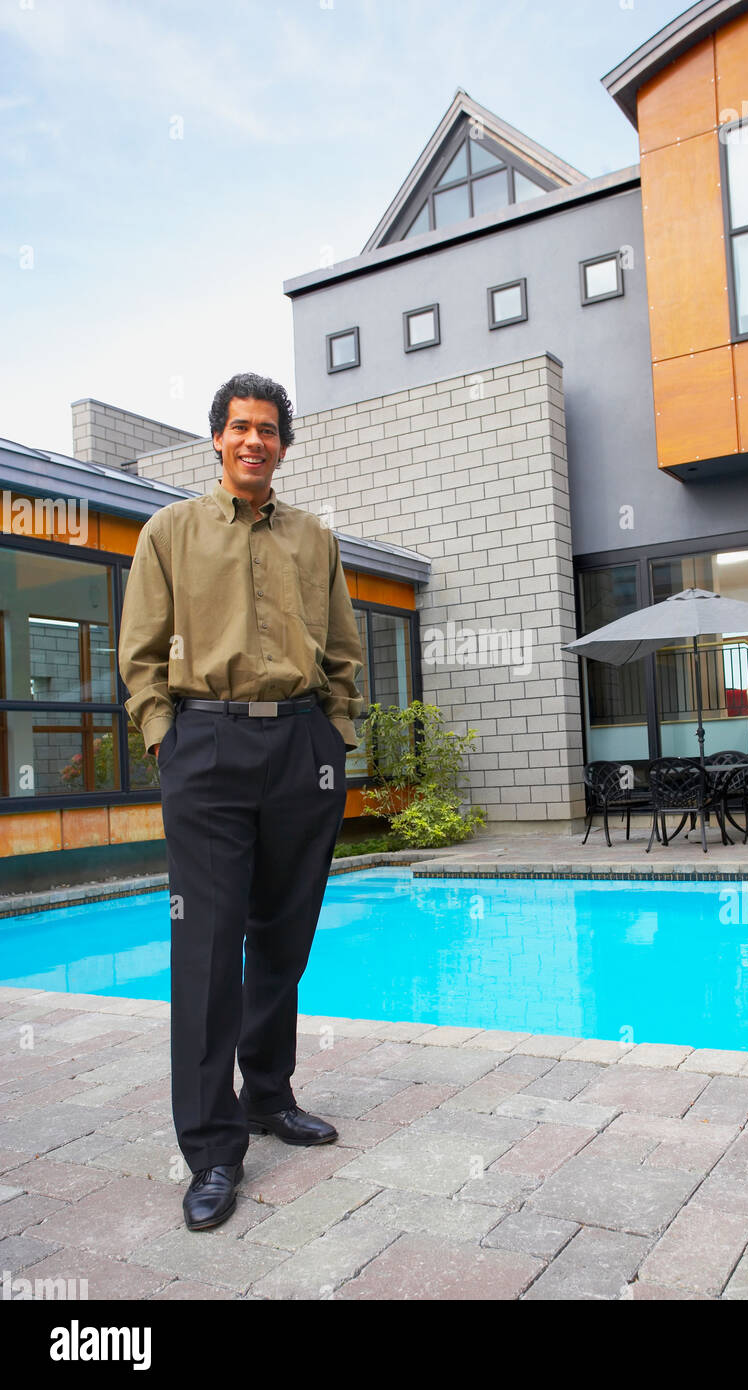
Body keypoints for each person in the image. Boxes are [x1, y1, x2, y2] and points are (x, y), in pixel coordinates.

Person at [118, 372, 365, 1231]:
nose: (254, 440)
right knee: (208, 948)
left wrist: (333, 731)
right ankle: (213, 1149)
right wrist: (166, 739)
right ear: (216, 439)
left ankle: (267, 1093)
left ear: (283, 445)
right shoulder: (168, 533)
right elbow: (142, 654)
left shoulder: (314, 538)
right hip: (207, 745)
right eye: (240, 428)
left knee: (283, 938)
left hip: (301, 744)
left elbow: (342, 648)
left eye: (269, 429)